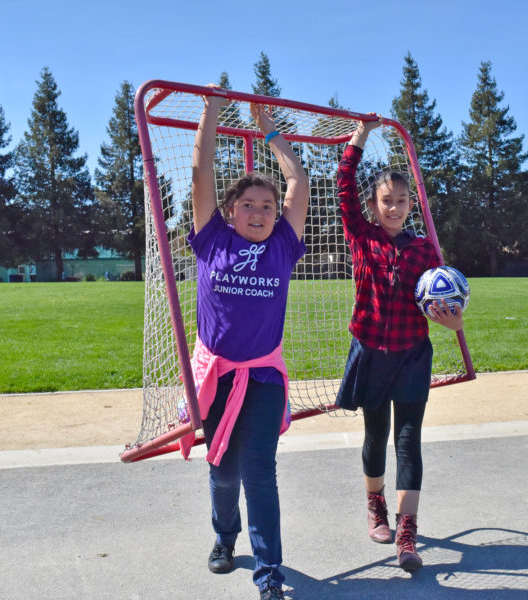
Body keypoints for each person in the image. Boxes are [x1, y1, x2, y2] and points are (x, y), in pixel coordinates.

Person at [184, 85, 308, 600]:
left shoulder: (283, 245)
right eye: (249, 204)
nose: (259, 211)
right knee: (223, 471)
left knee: (259, 472)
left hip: (262, 378)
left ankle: (269, 575)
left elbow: (299, 178)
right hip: (217, 375)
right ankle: (223, 535)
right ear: (231, 210)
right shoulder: (213, 239)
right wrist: (212, 113)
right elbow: (200, 174)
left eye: (268, 205)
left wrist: (271, 130)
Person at [335, 116, 464, 572]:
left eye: (402, 201)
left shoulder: (426, 251)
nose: (395, 208)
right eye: (386, 201)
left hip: (411, 354)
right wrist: (360, 137)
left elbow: (438, 304)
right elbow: (343, 184)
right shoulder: (362, 235)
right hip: (371, 352)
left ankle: (406, 533)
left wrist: (453, 321)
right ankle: (376, 507)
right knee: (375, 435)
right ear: (373, 205)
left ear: (412, 203)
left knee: (408, 440)